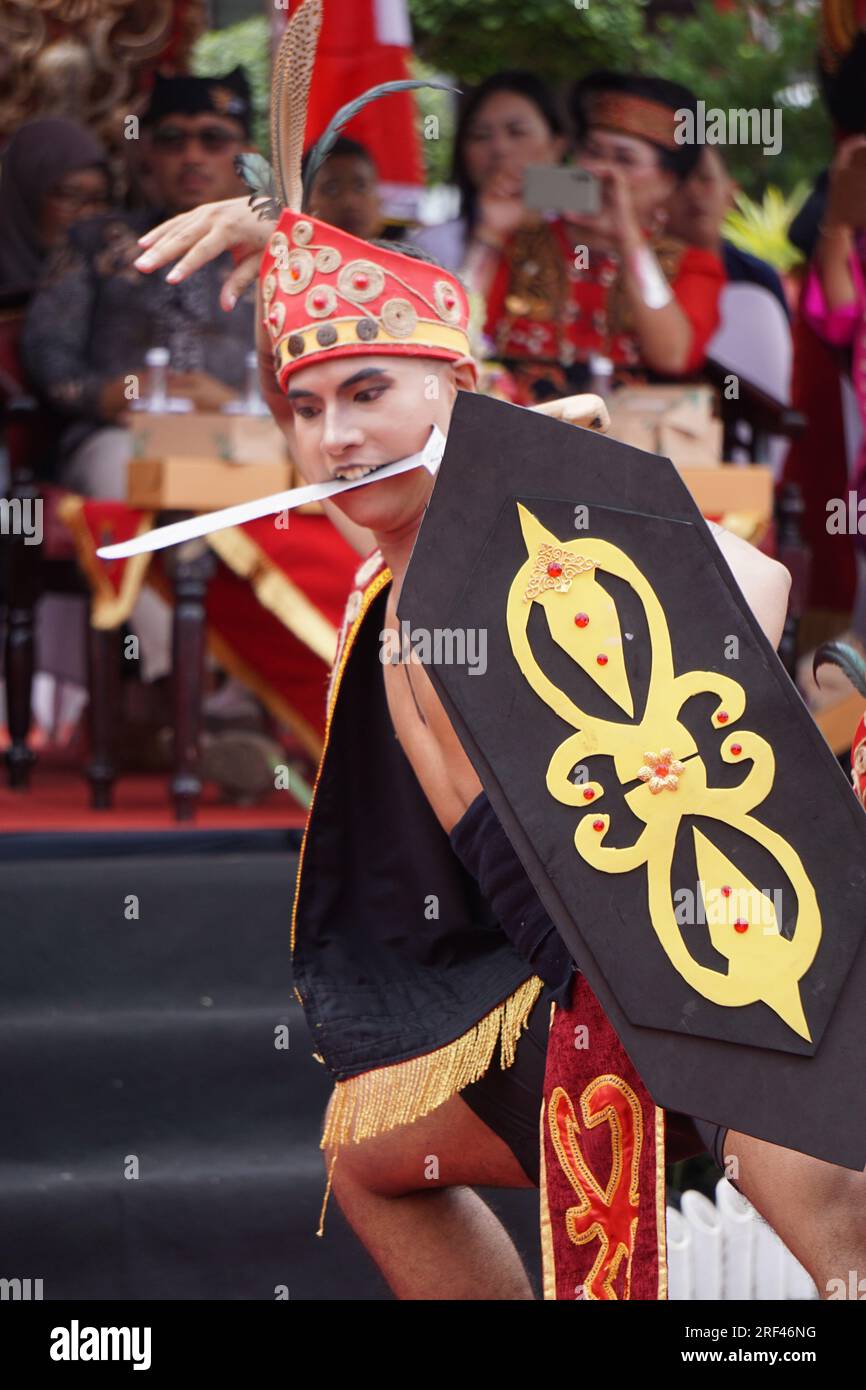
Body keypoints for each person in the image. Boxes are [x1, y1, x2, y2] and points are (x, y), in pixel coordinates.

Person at [132, 29, 865, 1300]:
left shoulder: (538, 513)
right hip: (570, 970)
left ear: (454, 391)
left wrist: (516, 473)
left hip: (730, 937)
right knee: (369, 1148)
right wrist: (287, 234)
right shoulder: (390, 586)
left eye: (367, 394)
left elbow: (755, 597)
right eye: (306, 411)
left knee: (810, 1205)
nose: (334, 437)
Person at [20, 68, 257, 687]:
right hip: (118, 436)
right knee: (126, 472)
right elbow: (46, 349)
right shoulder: (98, 238)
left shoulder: (278, 252)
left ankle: (237, 689)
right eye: (172, 138)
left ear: (248, 156)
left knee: (277, 482)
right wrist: (110, 393)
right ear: (145, 151)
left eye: (214, 139)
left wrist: (236, 405)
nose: (192, 155)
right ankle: (185, 684)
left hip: (243, 438)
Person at [411, 69, 567, 275]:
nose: (499, 148)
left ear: (556, 146)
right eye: (481, 135)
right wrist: (487, 237)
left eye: (517, 132)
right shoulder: (430, 247)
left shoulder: (585, 241)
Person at [666, 146, 789, 318]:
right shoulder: (647, 277)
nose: (693, 191)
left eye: (705, 179)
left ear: (731, 194)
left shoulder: (759, 279)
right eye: (681, 180)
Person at [0, 117, 110, 300]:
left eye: (98, 199)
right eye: (69, 195)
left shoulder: (110, 287)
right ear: (27, 195)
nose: (87, 214)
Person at [301, 135, 383, 241]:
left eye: (360, 187)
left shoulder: (407, 255)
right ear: (304, 202)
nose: (349, 202)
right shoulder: (284, 255)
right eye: (331, 189)